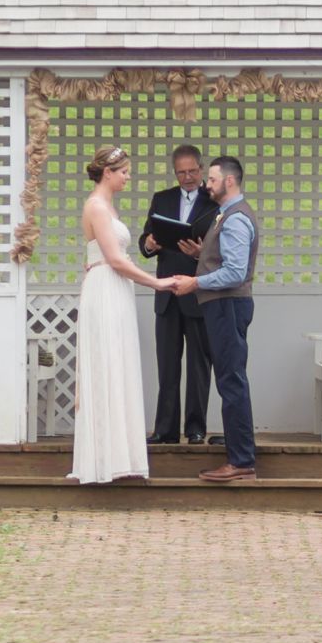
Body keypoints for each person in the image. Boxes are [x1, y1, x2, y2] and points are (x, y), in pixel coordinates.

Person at [72, 145, 175, 483]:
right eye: (124, 172)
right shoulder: (96, 206)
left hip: (115, 288)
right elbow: (115, 260)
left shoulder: (108, 207)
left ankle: (120, 455)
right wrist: (157, 282)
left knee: (119, 362)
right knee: (107, 362)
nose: (128, 177)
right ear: (108, 173)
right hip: (105, 288)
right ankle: (103, 459)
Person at [168, 154, 257, 482]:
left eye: (213, 179)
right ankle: (240, 454)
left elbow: (234, 272)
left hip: (227, 306)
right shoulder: (228, 215)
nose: (207, 184)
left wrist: (195, 282)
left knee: (231, 380)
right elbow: (224, 259)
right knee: (230, 379)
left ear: (229, 181)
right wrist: (201, 254)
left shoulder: (235, 219)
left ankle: (241, 460)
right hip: (223, 306)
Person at [138, 143, 217, 444]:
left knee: (199, 366)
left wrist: (201, 253)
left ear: (201, 168)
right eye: (181, 172)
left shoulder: (214, 200)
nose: (187, 177)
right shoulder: (162, 199)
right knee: (167, 366)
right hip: (167, 294)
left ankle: (195, 429)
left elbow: (221, 250)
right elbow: (145, 241)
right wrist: (149, 244)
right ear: (175, 172)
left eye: (192, 171)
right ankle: (165, 429)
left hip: (198, 292)